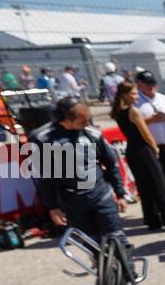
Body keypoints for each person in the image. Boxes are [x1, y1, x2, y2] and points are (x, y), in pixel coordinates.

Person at [31, 97, 130, 241]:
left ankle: (124, 262)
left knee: (118, 238)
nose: (86, 125)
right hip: (72, 201)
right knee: (90, 242)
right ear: (65, 121)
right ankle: (98, 261)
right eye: (82, 122)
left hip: (101, 195)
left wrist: (120, 194)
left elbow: (111, 164)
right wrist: (52, 207)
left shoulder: (92, 134)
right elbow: (45, 178)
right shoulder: (44, 139)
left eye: (88, 120)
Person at [112, 81, 165, 231]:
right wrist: (155, 148)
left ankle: (152, 220)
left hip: (132, 151)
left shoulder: (117, 111)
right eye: (134, 93)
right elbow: (145, 133)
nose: (137, 96)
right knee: (159, 185)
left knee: (144, 187)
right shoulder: (133, 111)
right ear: (125, 94)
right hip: (144, 150)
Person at [134, 70, 165, 205]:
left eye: (153, 84)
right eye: (147, 84)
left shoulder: (164, 98)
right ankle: (163, 207)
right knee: (158, 179)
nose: (151, 87)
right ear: (139, 84)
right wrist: (152, 119)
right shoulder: (136, 102)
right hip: (151, 148)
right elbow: (133, 125)